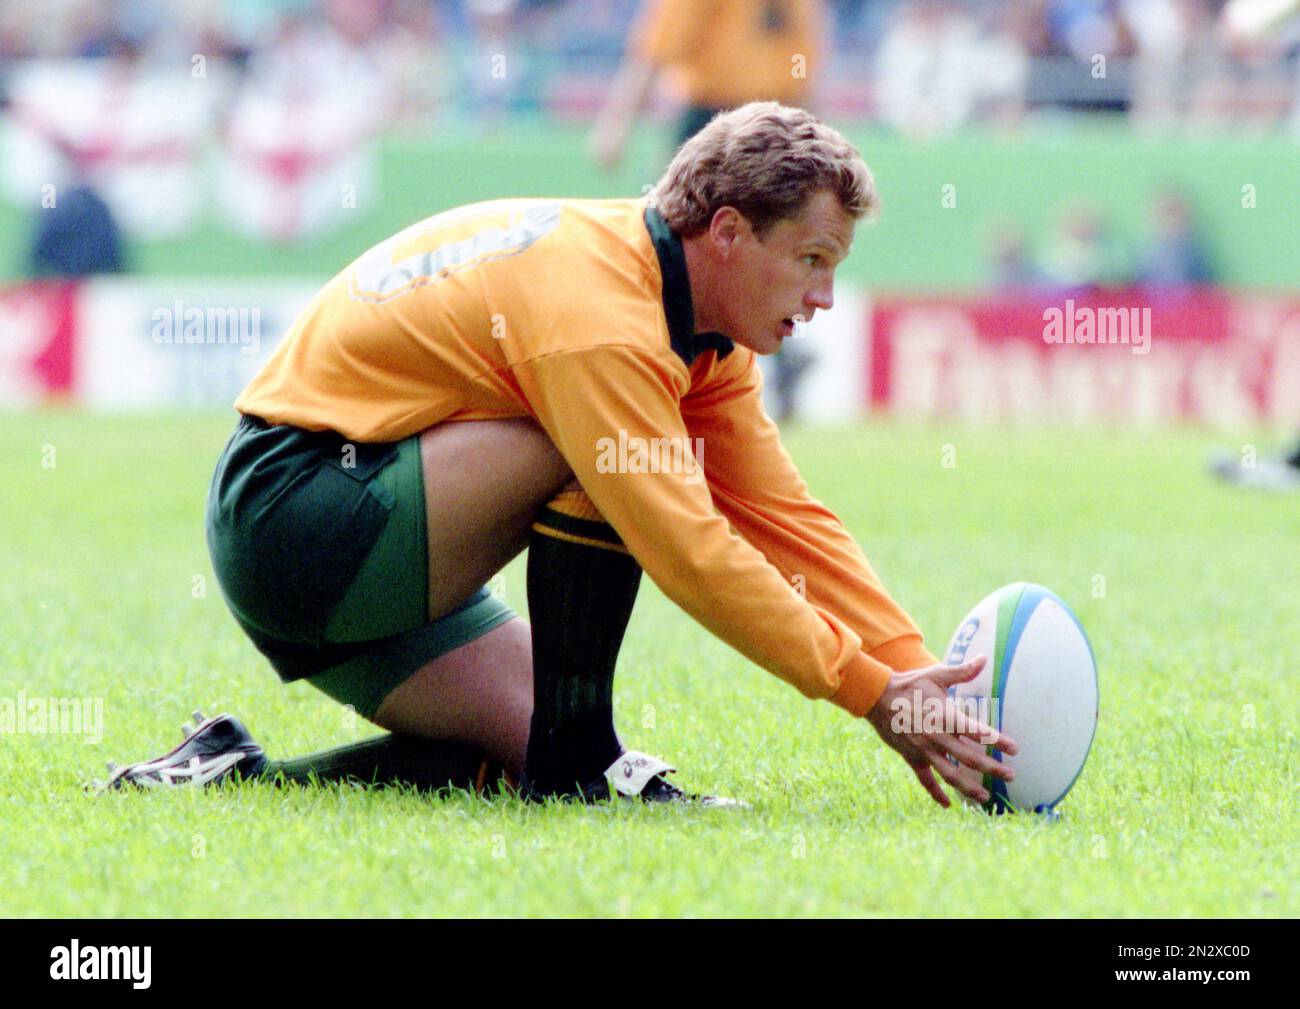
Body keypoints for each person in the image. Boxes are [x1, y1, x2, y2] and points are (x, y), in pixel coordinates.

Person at [99, 103, 1016, 808]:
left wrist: (917, 679)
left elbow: (788, 522)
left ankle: (232, 769)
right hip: (295, 516)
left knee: (518, 746)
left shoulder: (695, 325)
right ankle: (579, 771)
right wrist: (868, 692)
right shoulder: (602, 322)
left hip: (354, 527)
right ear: (728, 231)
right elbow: (689, 548)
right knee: (602, 455)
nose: (824, 295)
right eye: (813, 258)